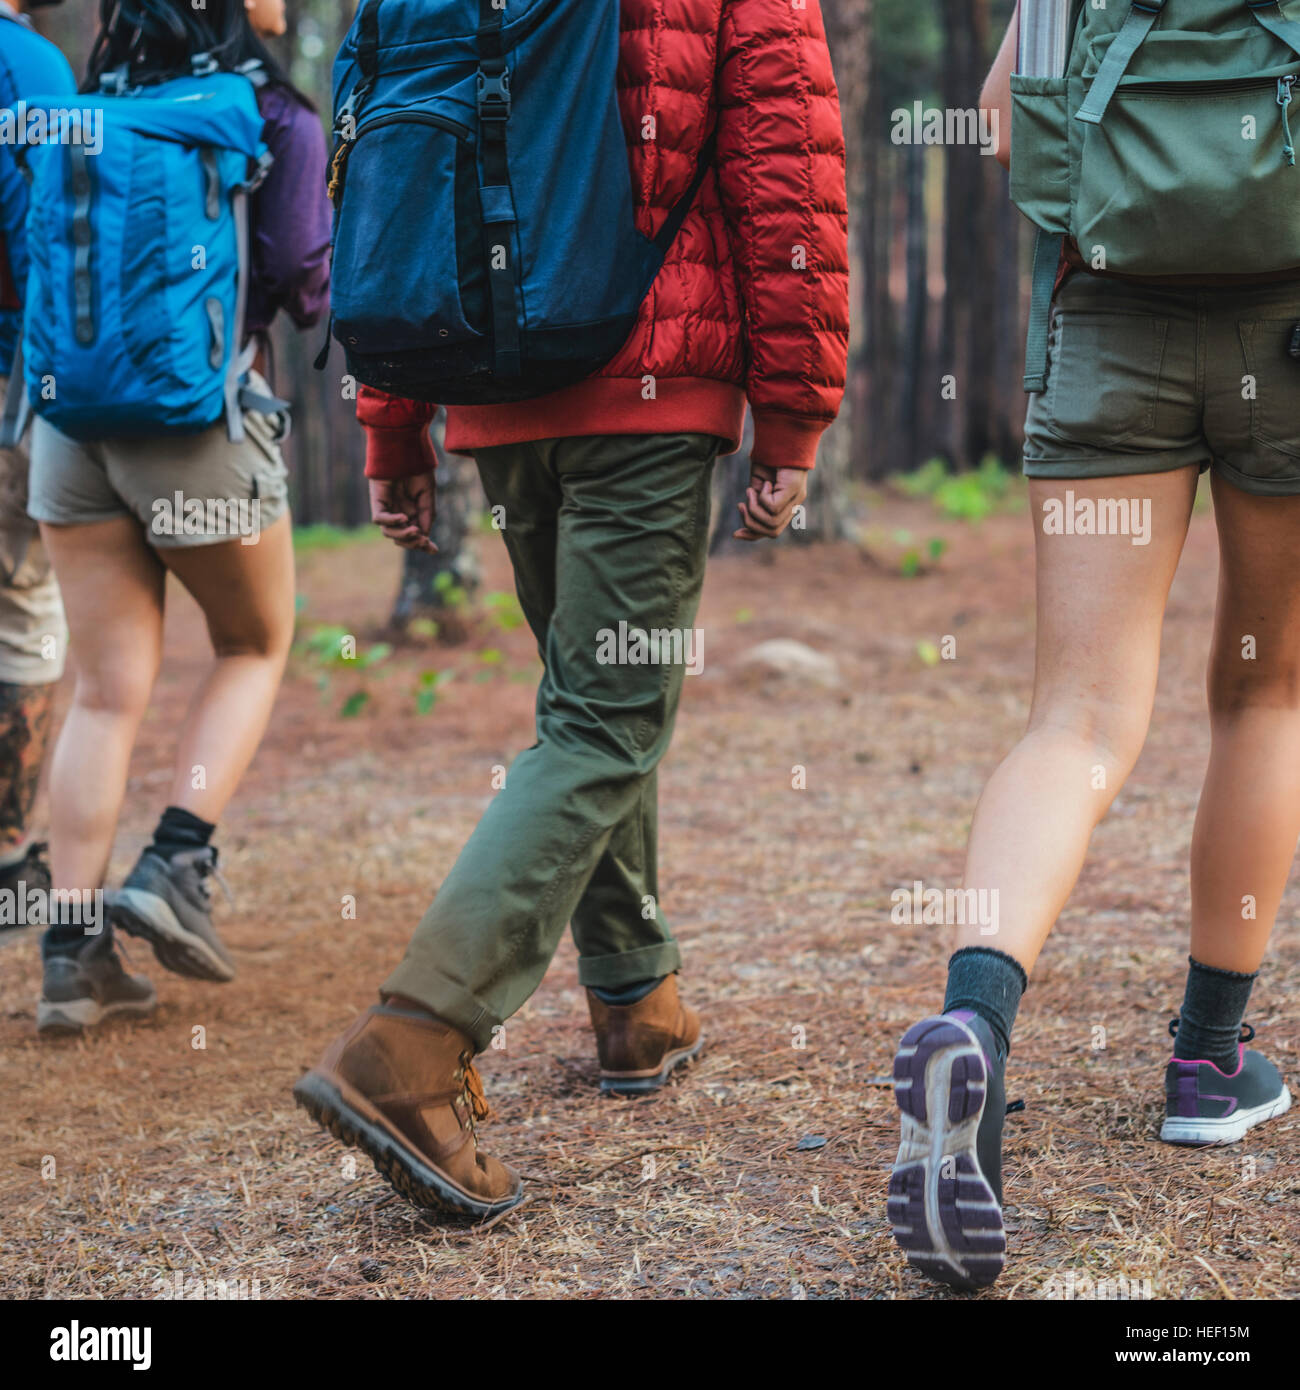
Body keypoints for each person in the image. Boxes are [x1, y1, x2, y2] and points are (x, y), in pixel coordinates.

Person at [295, 0, 850, 1220]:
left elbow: (378, 176)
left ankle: (635, 997)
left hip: (495, 388)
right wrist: (794, 414)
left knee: (588, 705)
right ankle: (415, 1043)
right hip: (649, 386)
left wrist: (393, 426)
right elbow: (786, 177)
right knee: (604, 719)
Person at [889, 1, 1295, 1290]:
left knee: (1072, 722)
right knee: (1266, 692)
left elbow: (1010, 129)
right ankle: (1207, 1059)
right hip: (1290, 340)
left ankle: (973, 1020)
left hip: (1106, 325)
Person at [30, 0, 330, 1033]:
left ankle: (69, 953)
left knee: (104, 691)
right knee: (252, 642)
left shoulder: (79, 108)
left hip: (68, 433)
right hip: (196, 423)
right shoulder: (269, 116)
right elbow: (301, 275)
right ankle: (177, 856)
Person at [0, 0, 72, 925]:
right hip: (13, 363)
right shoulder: (30, 67)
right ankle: (13, 856)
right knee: (22, 594)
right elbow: (47, 235)